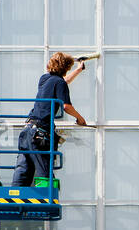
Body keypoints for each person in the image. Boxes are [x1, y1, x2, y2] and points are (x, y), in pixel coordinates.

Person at [11, 52, 89, 187]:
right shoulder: (59, 83)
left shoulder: (44, 79)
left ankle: (14, 201)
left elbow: (63, 82)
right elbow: (66, 106)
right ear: (65, 67)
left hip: (27, 131)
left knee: (23, 172)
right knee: (44, 173)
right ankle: (45, 204)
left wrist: (78, 70)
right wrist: (80, 119)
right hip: (39, 135)